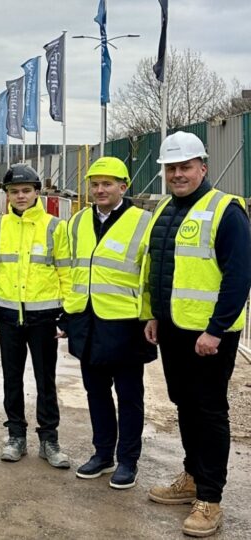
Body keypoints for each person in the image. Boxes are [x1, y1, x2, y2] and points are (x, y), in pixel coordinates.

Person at [143, 132, 251, 537]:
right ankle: (191, 477)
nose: (178, 174)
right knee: (184, 404)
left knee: (209, 411)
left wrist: (216, 329)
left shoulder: (226, 210)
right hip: (174, 329)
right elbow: (162, 269)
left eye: (185, 167)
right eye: (171, 168)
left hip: (209, 336)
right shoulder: (165, 210)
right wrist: (155, 315)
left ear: (202, 167)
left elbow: (239, 276)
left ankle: (211, 498)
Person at [63, 156, 156, 490]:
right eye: (95, 184)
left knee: (129, 395)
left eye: (107, 184)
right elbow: (69, 269)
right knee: (96, 392)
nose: (99, 190)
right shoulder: (75, 222)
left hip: (127, 323)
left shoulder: (144, 221)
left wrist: (150, 315)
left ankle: (128, 460)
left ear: (123, 186)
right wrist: (67, 312)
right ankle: (103, 454)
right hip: (87, 322)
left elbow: (151, 275)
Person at [0, 164, 72, 469]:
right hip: (8, 315)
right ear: (6, 194)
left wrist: (66, 315)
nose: (20, 196)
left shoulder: (55, 227)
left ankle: (49, 439)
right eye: (14, 191)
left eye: (26, 191)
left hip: (44, 317)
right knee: (12, 378)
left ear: (37, 192)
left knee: (45, 380)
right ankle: (16, 436)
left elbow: (66, 271)